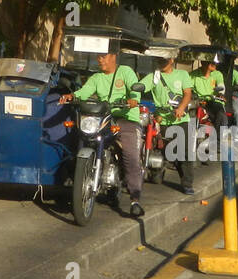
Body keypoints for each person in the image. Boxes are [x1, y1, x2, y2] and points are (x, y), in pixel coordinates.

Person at [58, 50, 145, 216]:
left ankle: (135, 199)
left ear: (114, 56)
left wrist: (133, 99)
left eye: (103, 56)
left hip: (126, 118)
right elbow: (84, 92)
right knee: (81, 136)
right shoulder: (97, 78)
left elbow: (135, 90)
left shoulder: (125, 72)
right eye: (98, 57)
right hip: (104, 117)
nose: (100, 60)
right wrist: (72, 96)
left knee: (130, 155)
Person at [138, 58, 198, 195]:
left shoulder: (182, 74)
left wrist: (181, 108)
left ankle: (187, 183)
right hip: (162, 120)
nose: (161, 63)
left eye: (164, 60)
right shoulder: (154, 77)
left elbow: (187, 93)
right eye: (159, 60)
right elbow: (139, 87)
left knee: (186, 153)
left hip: (181, 120)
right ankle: (157, 170)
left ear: (172, 59)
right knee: (163, 150)